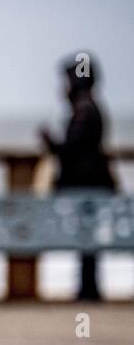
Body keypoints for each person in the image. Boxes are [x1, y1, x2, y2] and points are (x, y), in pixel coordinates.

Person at [39, 53, 117, 301]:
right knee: (87, 241)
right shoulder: (91, 108)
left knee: (87, 240)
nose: (64, 87)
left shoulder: (85, 111)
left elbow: (73, 150)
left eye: (67, 80)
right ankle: (88, 288)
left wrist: (51, 143)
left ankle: (88, 289)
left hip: (87, 188)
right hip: (93, 188)